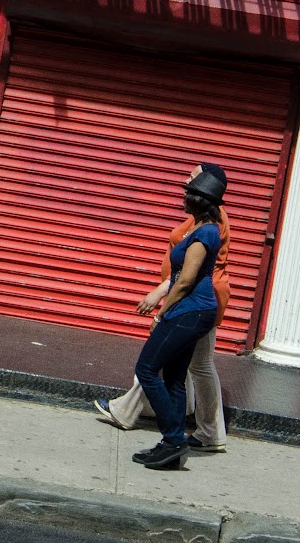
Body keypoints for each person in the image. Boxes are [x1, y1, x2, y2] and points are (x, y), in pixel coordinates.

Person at [94, 166, 230, 453]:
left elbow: (187, 279)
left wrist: (162, 311)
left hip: (190, 306)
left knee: (151, 368)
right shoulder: (200, 222)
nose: (185, 184)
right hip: (189, 304)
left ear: (203, 192)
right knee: (177, 374)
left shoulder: (207, 228)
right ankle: (177, 436)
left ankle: (177, 434)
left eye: (191, 181)